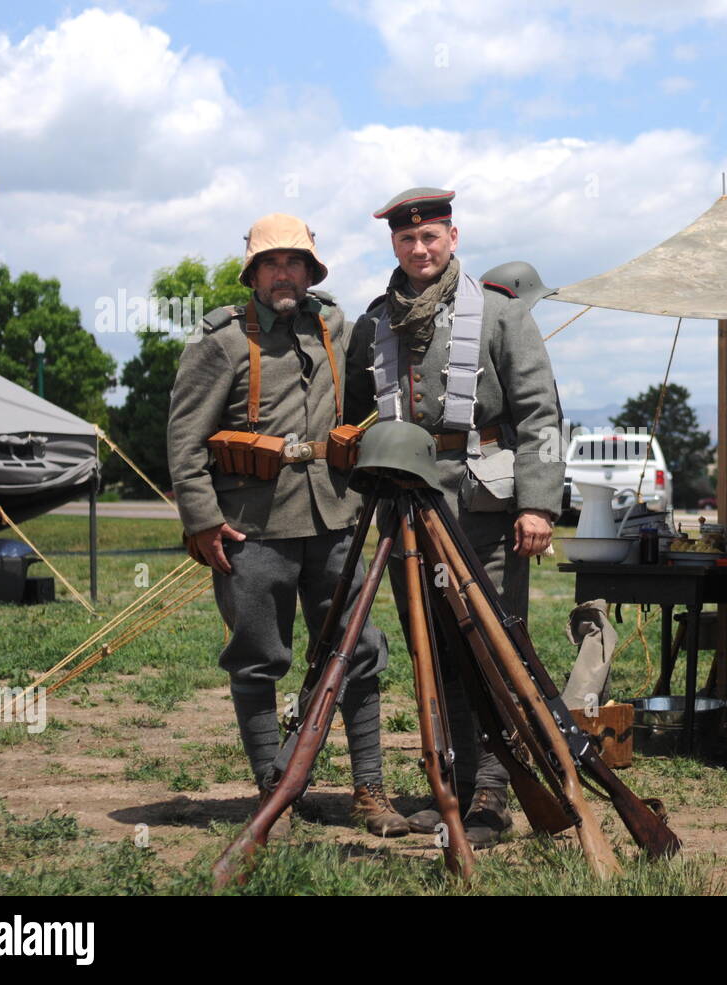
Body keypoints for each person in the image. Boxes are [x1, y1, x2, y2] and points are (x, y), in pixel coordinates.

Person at [168, 213, 408, 837]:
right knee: (257, 658)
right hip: (252, 527)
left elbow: (366, 402)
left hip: (334, 517)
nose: (285, 274)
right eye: (272, 263)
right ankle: (275, 792)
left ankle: (369, 790)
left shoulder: (333, 326)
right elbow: (184, 441)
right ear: (252, 272)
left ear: (310, 272)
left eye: (295, 263)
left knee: (359, 649)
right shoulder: (216, 340)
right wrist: (202, 521)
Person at [346, 189, 564, 847]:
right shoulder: (373, 323)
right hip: (406, 510)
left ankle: (497, 788)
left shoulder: (499, 316)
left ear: (453, 237)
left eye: (431, 237)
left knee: (492, 647)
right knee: (433, 651)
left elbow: (539, 415)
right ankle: (462, 781)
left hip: (486, 511)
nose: (420, 249)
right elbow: (355, 425)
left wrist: (537, 502)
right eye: (408, 240)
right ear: (395, 245)